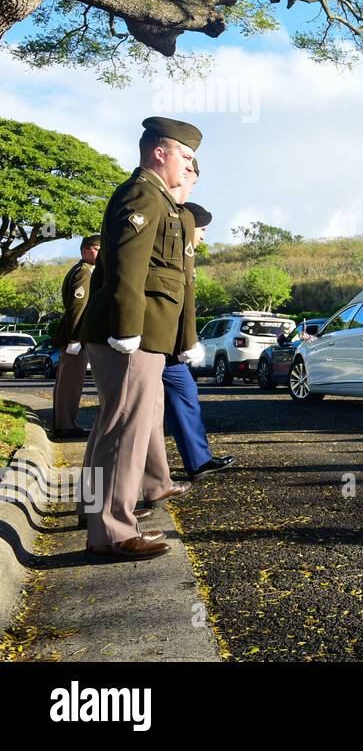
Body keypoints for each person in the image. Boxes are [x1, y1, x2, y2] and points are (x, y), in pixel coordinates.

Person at [79, 117, 202, 560]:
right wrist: (128, 330)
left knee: (112, 427)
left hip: (147, 331)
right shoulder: (142, 194)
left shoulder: (159, 200)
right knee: (123, 432)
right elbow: (129, 269)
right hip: (134, 332)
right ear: (159, 153)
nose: (190, 166)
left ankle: (94, 514)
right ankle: (112, 532)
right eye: (185, 157)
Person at [160, 188, 234, 480]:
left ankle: (188, 465)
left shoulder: (181, 254)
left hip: (165, 346)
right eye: (201, 229)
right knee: (124, 420)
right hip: (151, 344)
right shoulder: (171, 253)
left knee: (178, 397)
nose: (202, 236)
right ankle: (97, 503)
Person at [49, 234, 99, 440]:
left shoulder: (83, 270)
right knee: (70, 384)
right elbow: (78, 308)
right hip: (75, 336)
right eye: (97, 249)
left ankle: (65, 423)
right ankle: (65, 425)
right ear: (85, 250)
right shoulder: (84, 274)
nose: (100, 253)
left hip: (74, 336)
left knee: (67, 382)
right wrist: (75, 339)